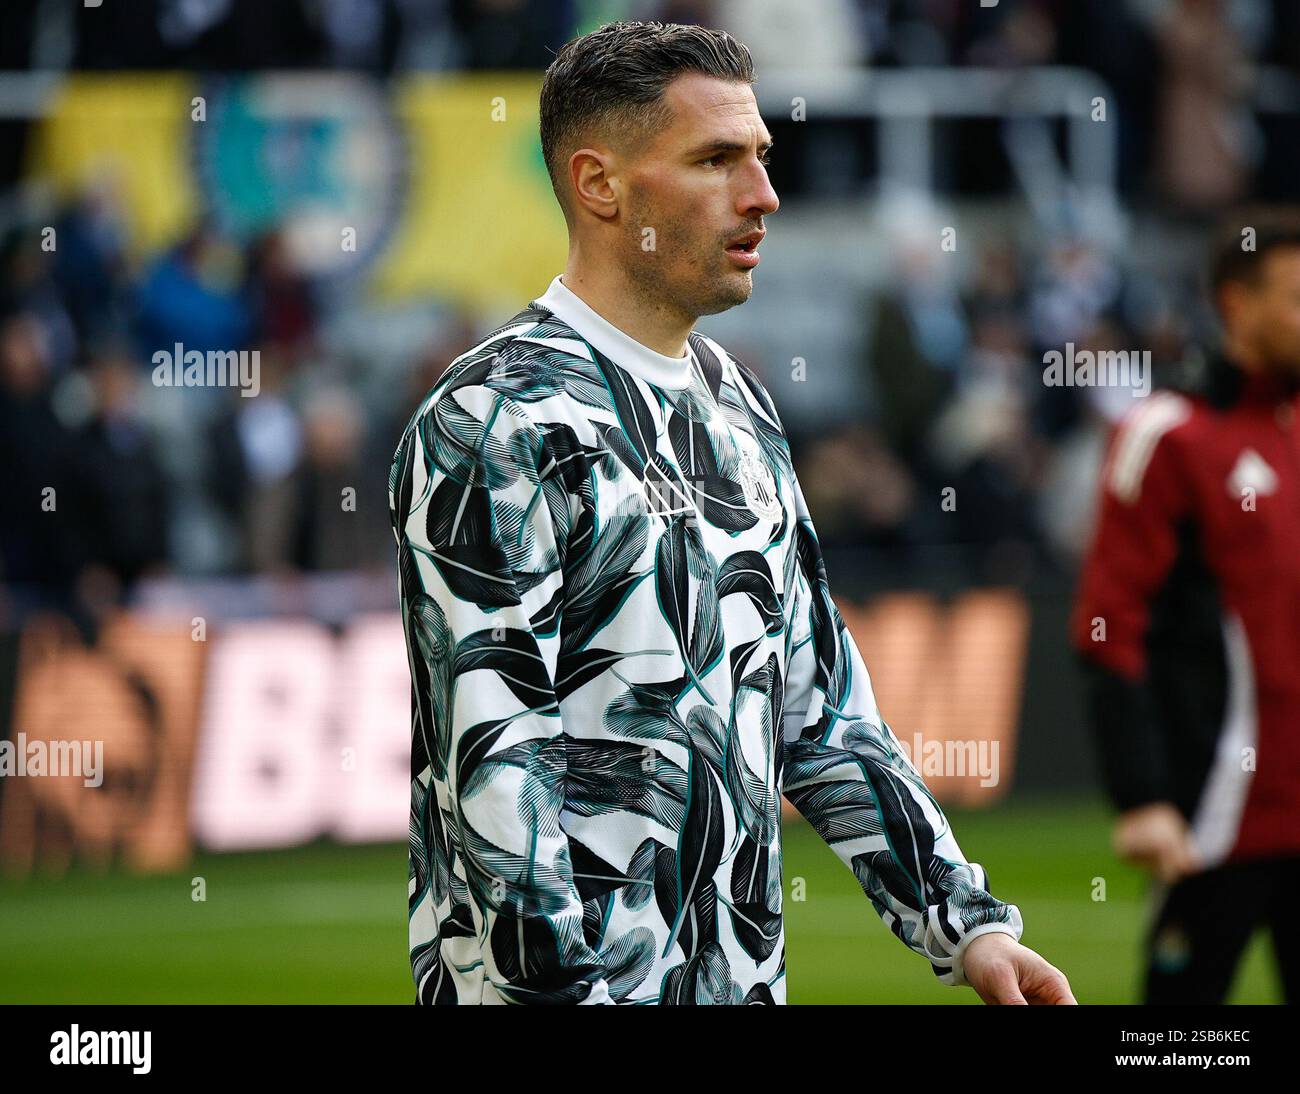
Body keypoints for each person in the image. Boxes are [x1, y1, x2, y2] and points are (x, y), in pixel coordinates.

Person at [389, 19, 1074, 1005]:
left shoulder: (739, 403)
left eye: (760, 156)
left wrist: (963, 924)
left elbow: (820, 703)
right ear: (600, 185)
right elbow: (498, 757)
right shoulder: (494, 419)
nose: (763, 195)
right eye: (716, 159)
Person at [1071, 214, 1300, 1004]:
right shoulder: (1168, 435)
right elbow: (1108, 628)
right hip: (1215, 823)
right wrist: (1142, 797)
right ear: (1236, 304)